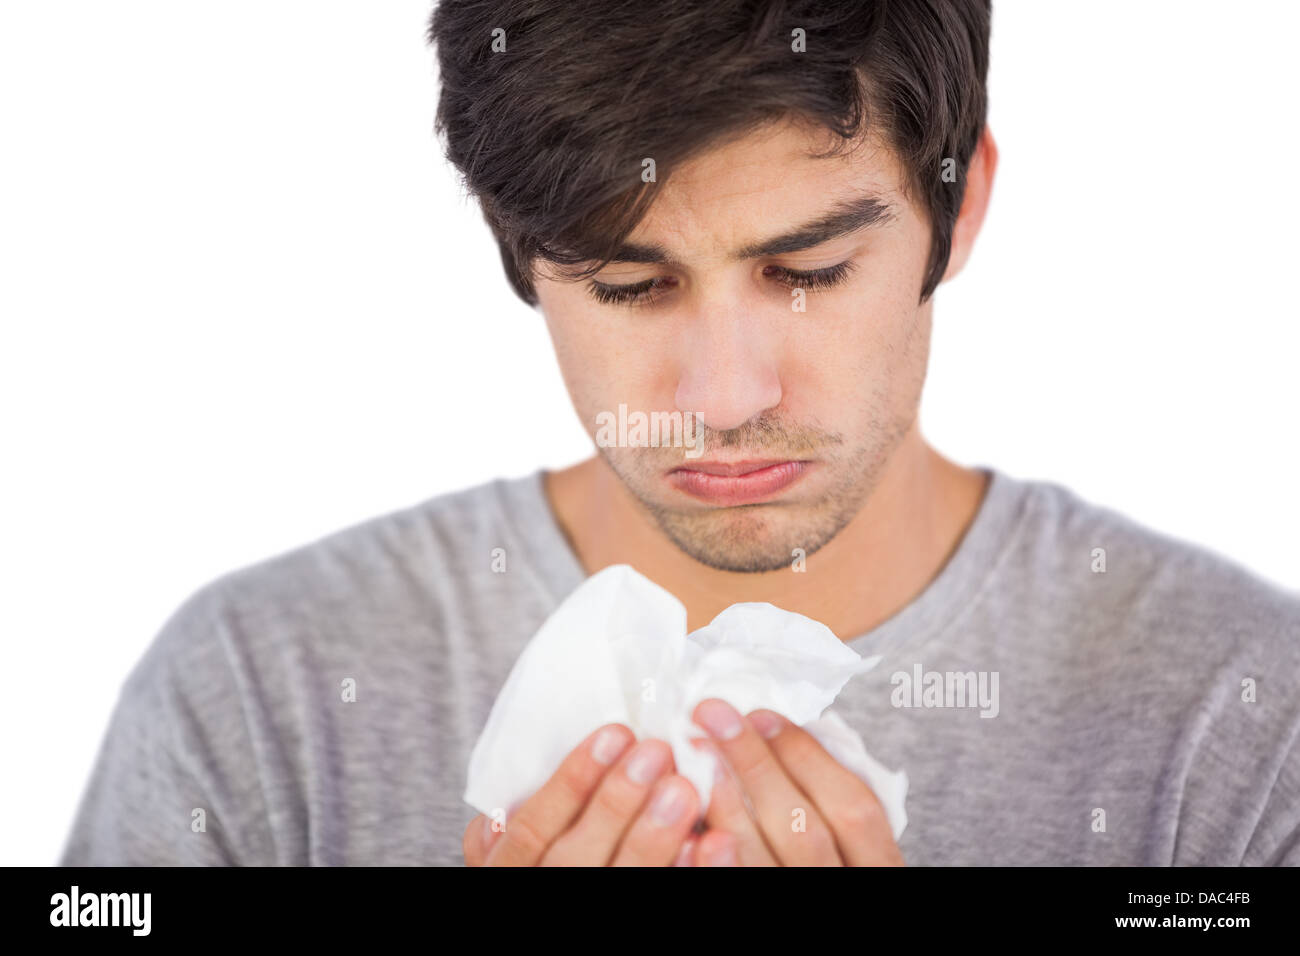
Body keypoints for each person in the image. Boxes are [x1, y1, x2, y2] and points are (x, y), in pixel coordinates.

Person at [60, 0, 1300, 866]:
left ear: (956, 207)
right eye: (627, 284)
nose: (720, 397)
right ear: (515, 251)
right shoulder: (255, 697)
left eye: (807, 268)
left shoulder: (1239, 723)